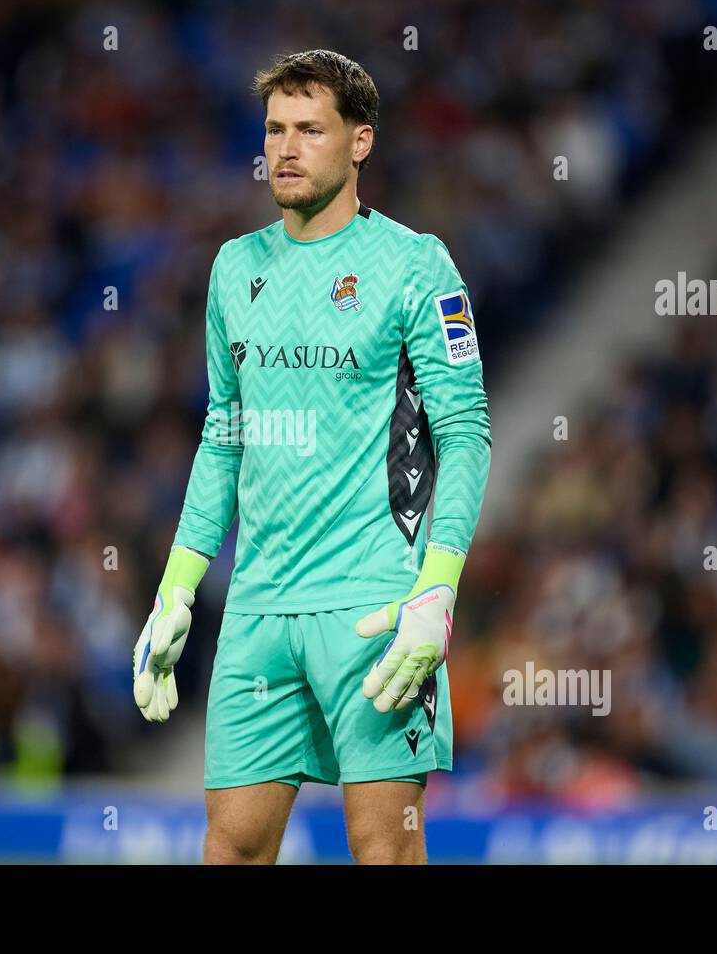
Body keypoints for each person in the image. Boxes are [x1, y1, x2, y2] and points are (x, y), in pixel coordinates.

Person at [132, 49, 492, 864]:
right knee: (231, 847)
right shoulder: (235, 268)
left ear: (360, 142)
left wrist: (437, 589)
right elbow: (223, 435)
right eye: (274, 131)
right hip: (259, 609)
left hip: (373, 605)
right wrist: (177, 590)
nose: (284, 150)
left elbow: (466, 432)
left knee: (384, 849)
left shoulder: (414, 265)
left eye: (309, 130)